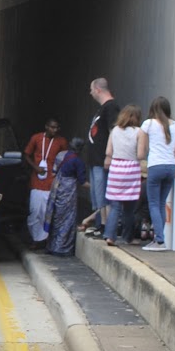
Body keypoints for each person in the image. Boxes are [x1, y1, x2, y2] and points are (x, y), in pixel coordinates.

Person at [137, 96, 175, 251]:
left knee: (154, 204)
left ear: (152, 109)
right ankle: (159, 239)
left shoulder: (148, 124)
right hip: (170, 167)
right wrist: (173, 160)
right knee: (161, 204)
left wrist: (141, 160)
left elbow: (141, 152)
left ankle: (160, 240)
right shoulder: (174, 125)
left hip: (155, 166)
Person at [80, 77, 118, 236]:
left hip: (102, 159)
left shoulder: (111, 108)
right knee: (98, 195)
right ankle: (101, 224)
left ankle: (107, 228)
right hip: (95, 160)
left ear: (98, 89)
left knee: (103, 194)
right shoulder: (102, 109)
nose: (90, 93)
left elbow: (113, 132)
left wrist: (109, 155)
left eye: (91, 89)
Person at [23, 117, 68, 246]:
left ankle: (42, 240)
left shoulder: (61, 141)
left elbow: (65, 158)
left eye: (57, 128)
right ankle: (35, 237)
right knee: (35, 211)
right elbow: (26, 154)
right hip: (36, 182)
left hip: (51, 182)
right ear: (46, 127)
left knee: (46, 213)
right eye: (52, 127)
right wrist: (35, 167)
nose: (54, 130)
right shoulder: (36, 138)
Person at [102, 104, 142, 246]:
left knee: (115, 206)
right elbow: (141, 153)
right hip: (131, 168)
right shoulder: (139, 132)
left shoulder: (114, 131)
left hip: (116, 168)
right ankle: (128, 237)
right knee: (129, 208)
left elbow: (108, 151)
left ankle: (110, 236)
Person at [44, 138, 88, 255]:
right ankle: (61, 248)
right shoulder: (78, 162)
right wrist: (96, 189)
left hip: (57, 188)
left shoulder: (61, 156)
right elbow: (82, 182)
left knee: (56, 217)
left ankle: (51, 245)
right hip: (68, 191)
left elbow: (53, 172)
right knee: (67, 218)